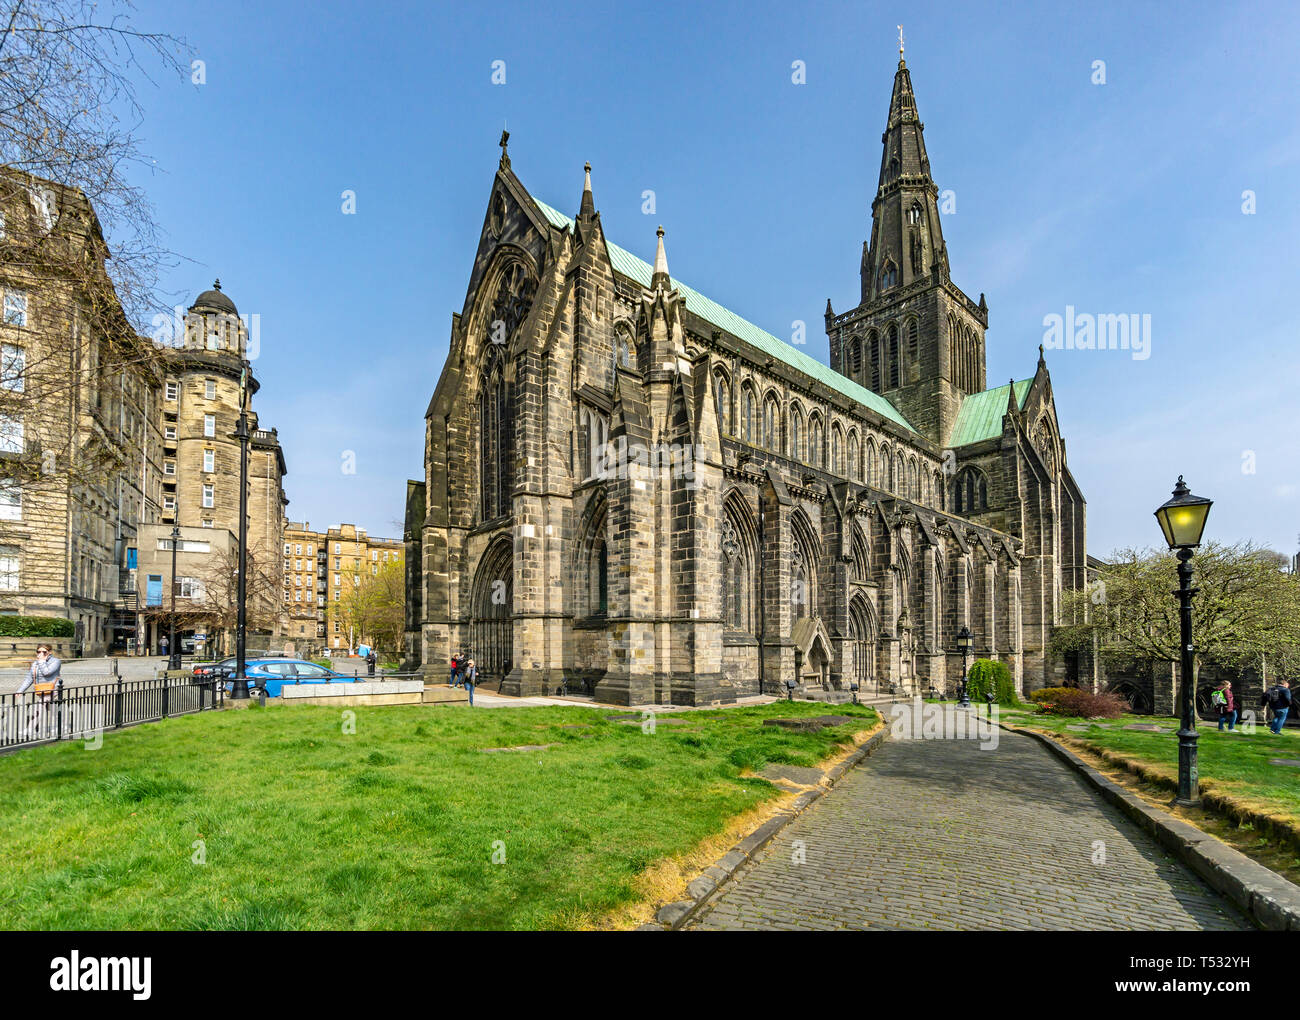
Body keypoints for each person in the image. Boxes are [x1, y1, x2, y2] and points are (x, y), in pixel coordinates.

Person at [16, 644, 63, 741]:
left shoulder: (56, 661)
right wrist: (20, 690)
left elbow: (47, 672)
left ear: (49, 652)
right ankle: (61, 726)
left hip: (53, 689)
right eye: (39, 651)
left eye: (44, 652)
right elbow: (29, 678)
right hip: (41, 689)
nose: (41, 653)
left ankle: (30, 729)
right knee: (53, 709)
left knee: (39, 708)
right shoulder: (35, 663)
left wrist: (41, 661)